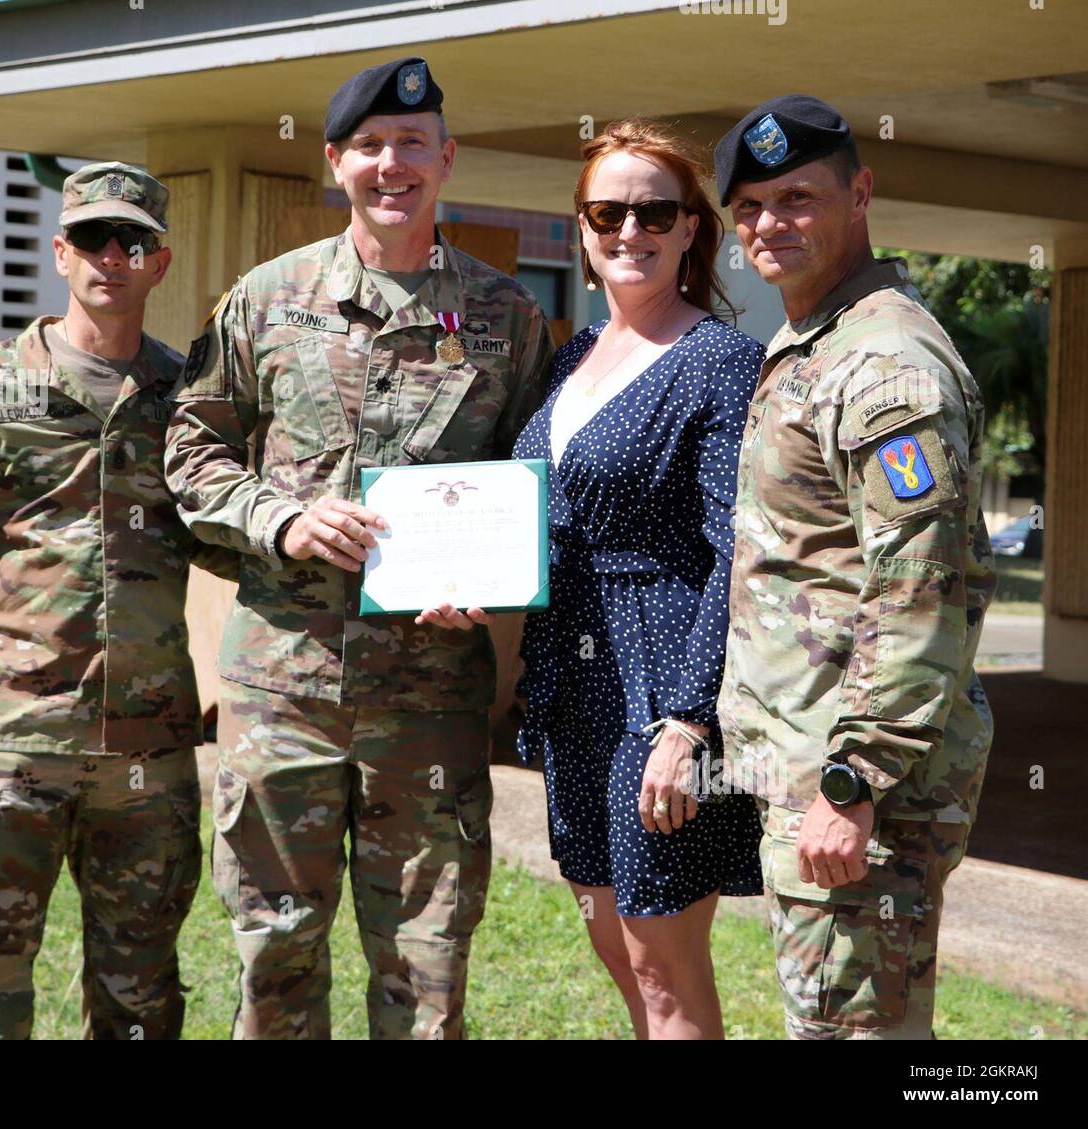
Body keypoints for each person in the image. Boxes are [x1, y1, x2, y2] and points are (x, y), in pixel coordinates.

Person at [166, 56, 554, 1040]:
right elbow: (188, 450)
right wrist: (278, 518)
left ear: (446, 158)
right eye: (371, 146)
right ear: (335, 161)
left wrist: (494, 583)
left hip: (430, 702)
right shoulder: (264, 300)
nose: (394, 165)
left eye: (413, 144)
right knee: (275, 955)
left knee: (425, 973)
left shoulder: (507, 316)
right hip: (283, 689)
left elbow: (535, 482)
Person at [0, 162, 206, 1039]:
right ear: (61, 253)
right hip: (5, 752)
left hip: (146, 759)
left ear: (159, 262)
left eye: (132, 240)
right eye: (93, 238)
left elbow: (241, 535)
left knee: (141, 1001)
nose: (112, 255)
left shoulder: (190, 402)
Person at [713, 95, 997, 1039]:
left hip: (855, 782)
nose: (768, 224)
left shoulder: (883, 361)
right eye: (748, 207)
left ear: (860, 194)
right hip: (814, 765)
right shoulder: (815, 342)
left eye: (796, 198)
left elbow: (921, 588)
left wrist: (853, 780)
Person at [513, 119, 765, 1039]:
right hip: (574, 685)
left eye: (656, 210)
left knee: (663, 961)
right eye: (607, 211)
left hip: (661, 692)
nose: (631, 230)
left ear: (693, 228)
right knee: (615, 946)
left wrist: (691, 720)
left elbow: (737, 551)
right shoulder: (574, 355)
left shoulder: (720, 362)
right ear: (580, 227)